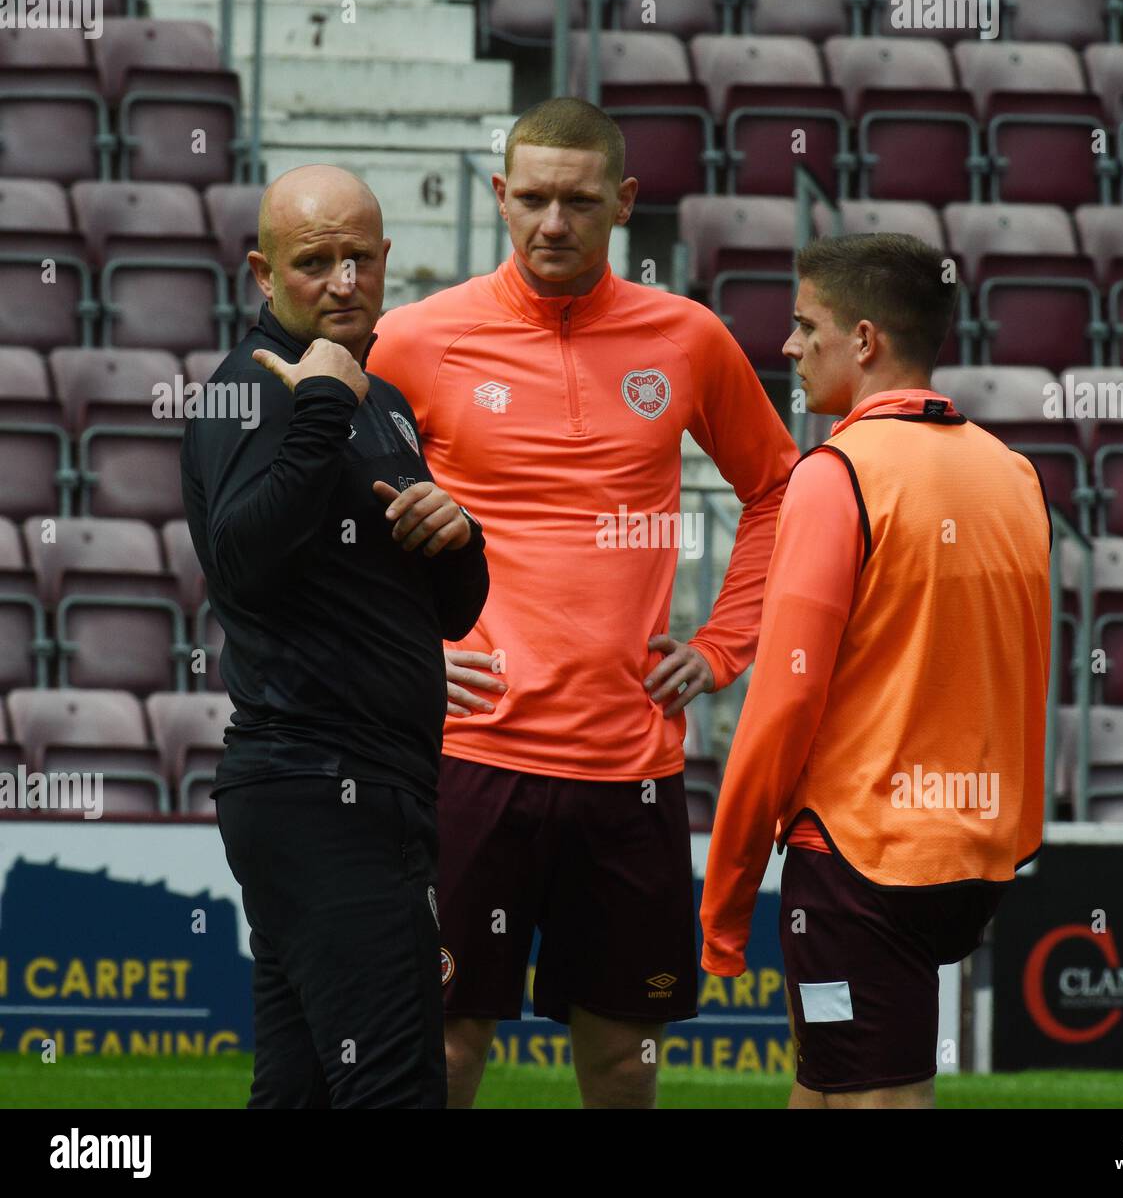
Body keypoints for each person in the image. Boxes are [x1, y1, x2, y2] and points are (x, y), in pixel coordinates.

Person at [365, 98, 800, 1108]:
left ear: (624, 203)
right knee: (446, 1045)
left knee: (620, 1057)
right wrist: (403, 657)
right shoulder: (414, 342)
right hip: (470, 760)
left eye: (578, 200)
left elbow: (782, 488)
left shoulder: (686, 339)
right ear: (498, 199)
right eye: (532, 199)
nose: (553, 222)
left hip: (630, 770)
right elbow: (329, 525)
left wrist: (726, 642)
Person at [700, 233, 1052, 1109]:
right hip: (975, 849)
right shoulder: (1015, 474)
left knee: (876, 1097)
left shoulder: (835, 473)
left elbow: (781, 702)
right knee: (826, 1086)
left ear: (862, 340)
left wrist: (728, 893)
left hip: (859, 856)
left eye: (801, 323)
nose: (786, 345)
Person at [180, 164, 489, 1108]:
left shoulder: (383, 400)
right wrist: (319, 402)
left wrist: (457, 538)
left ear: (389, 259)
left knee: (304, 1092)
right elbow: (239, 559)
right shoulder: (251, 392)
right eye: (315, 262)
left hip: (361, 790)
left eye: (360, 257)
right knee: (396, 1086)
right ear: (264, 276)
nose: (344, 282)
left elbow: (450, 612)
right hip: (321, 792)